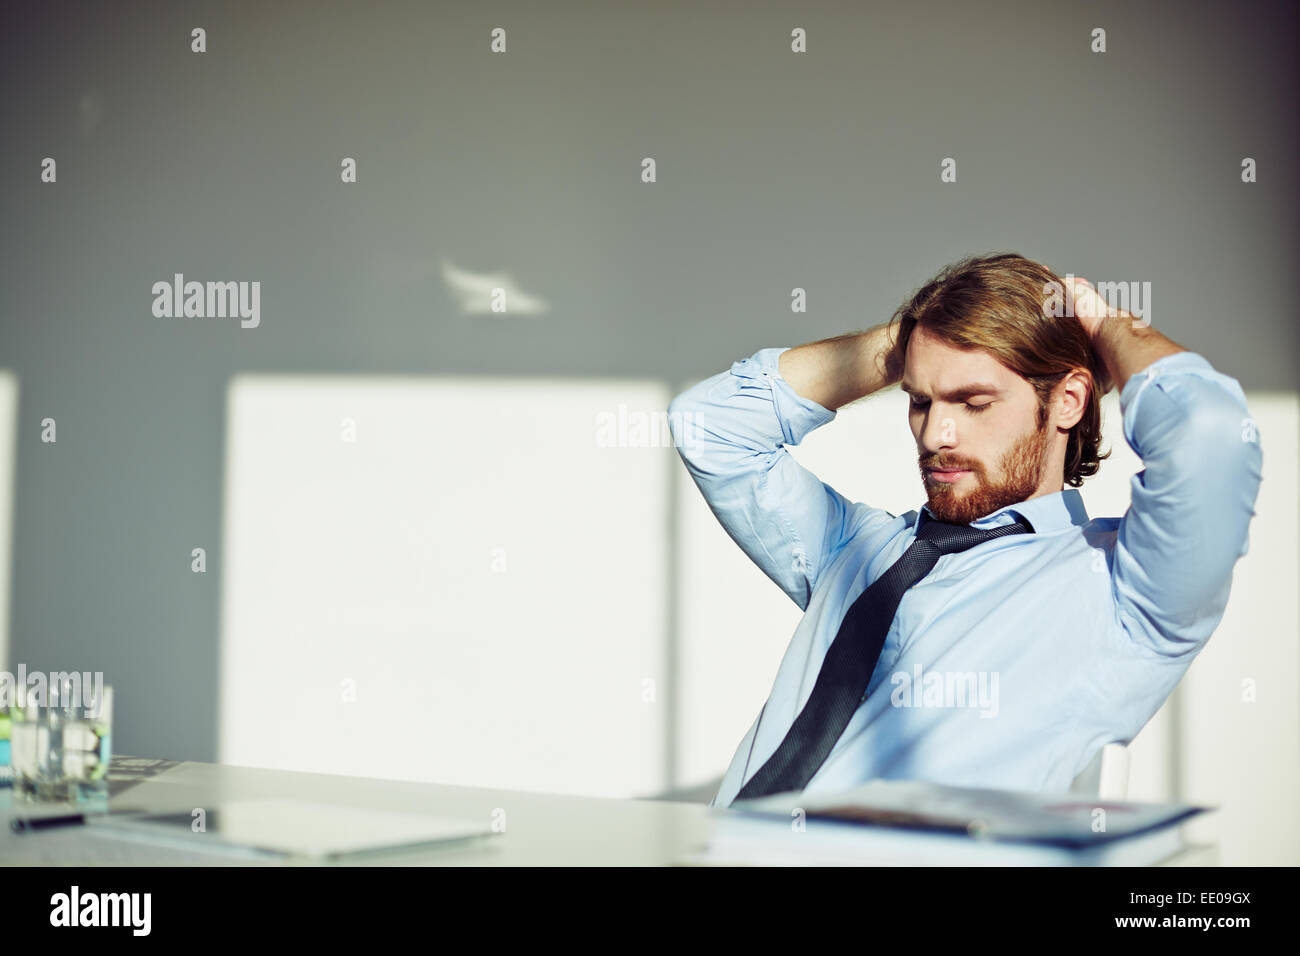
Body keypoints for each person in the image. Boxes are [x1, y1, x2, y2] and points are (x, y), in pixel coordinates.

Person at [667, 253, 1263, 808]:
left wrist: (1102, 322)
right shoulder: (853, 549)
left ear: (1067, 401)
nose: (935, 435)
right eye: (920, 402)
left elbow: (1209, 435)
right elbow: (710, 425)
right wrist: (911, 343)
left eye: (973, 402)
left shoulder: (1123, 589)